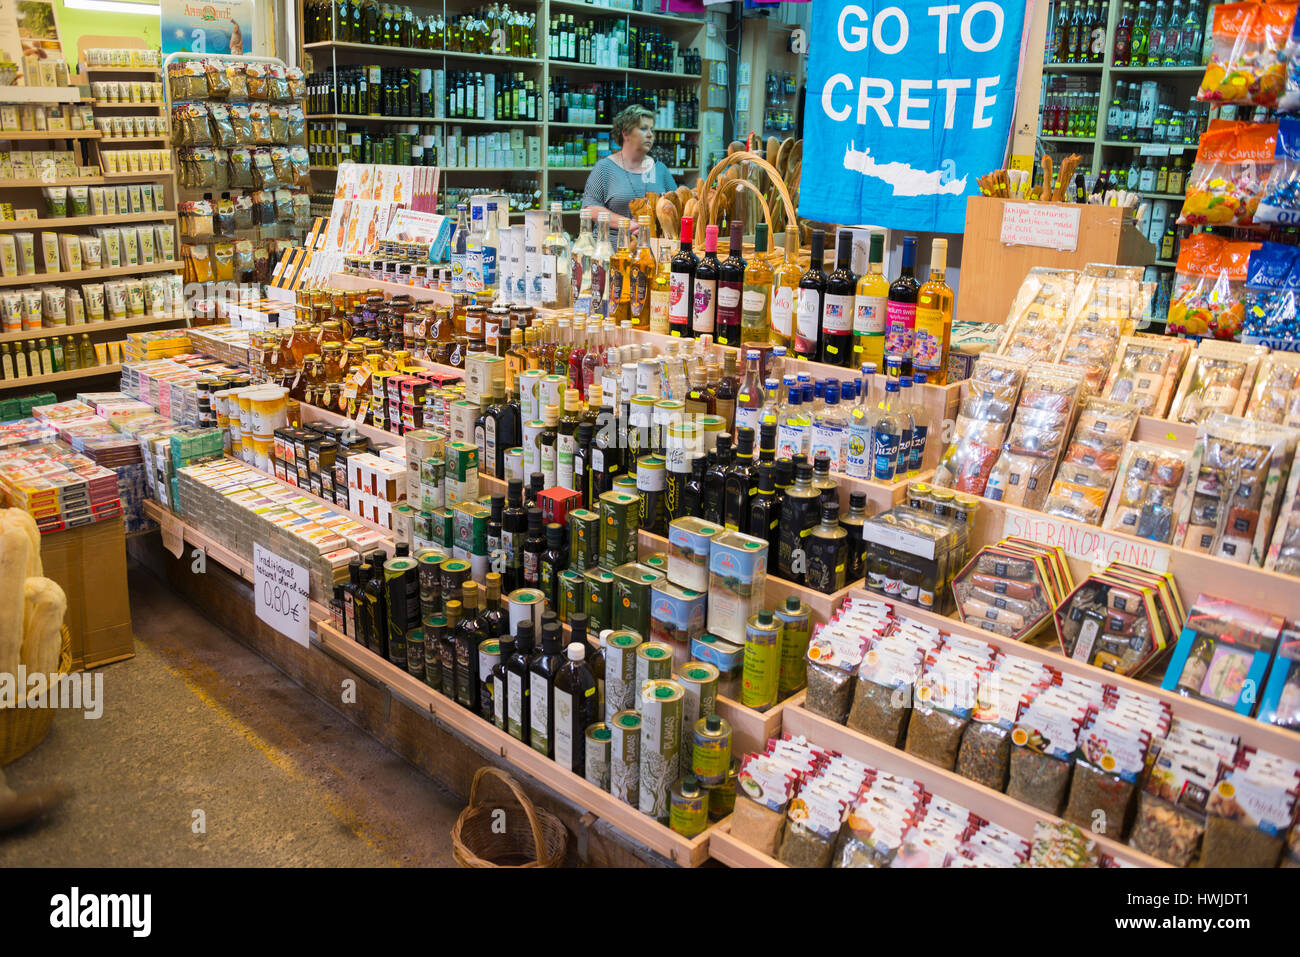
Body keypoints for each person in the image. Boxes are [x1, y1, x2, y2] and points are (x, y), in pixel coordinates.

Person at [581, 105, 677, 229]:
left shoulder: (660, 169)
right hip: (613, 245)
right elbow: (590, 209)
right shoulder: (604, 168)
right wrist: (628, 224)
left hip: (653, 246)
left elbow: (676, 205)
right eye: (643, 129)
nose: (650, 135)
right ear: (625, 133)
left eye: (652, 130)